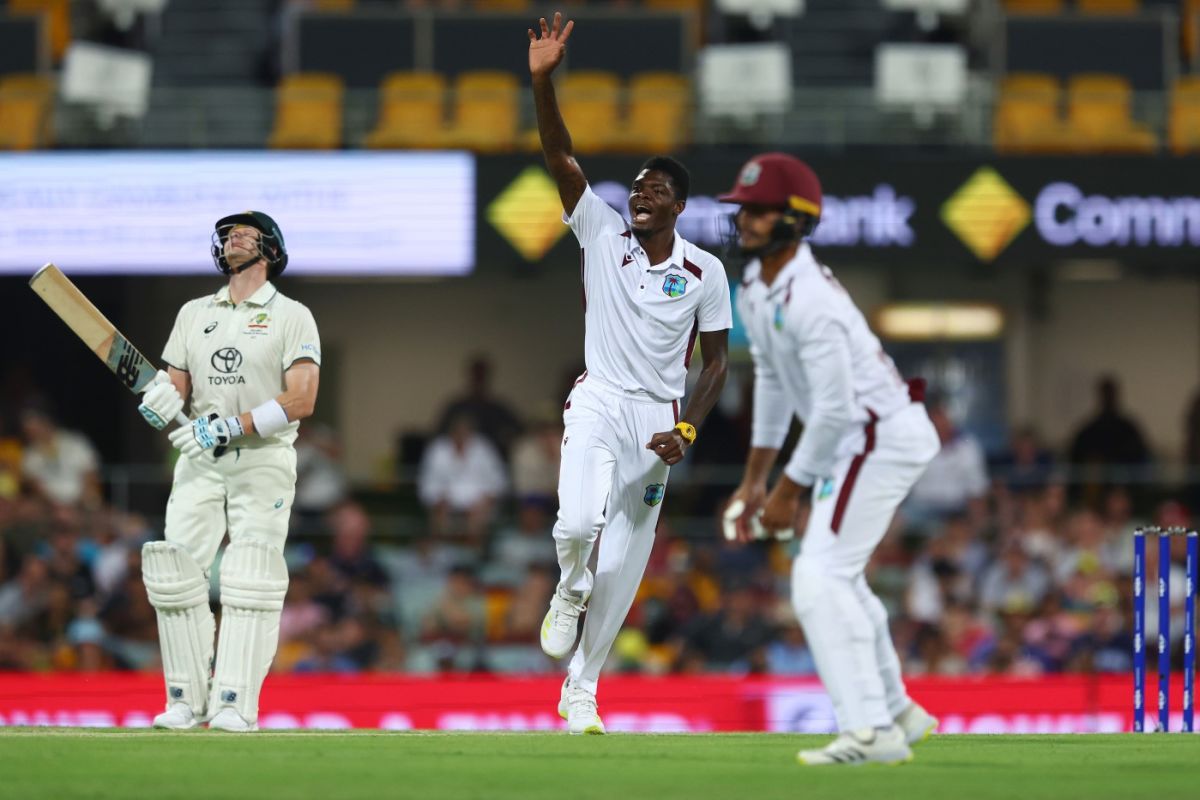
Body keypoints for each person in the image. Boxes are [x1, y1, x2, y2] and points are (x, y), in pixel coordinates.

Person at [528, 12, 732, 735]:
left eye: (653, 190)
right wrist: (542, 83)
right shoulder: (600, 230)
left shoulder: (705, 271)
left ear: (678, 205)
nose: (639, 195)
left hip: (657, 421)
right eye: (636, 188)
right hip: (599, 399)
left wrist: (687, 430)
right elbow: (561, 156)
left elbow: (717, 363)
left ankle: (582, 690)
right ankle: (568, 584)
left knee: (624, 563)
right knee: (578, 524)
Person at [720, 154, 939, 765]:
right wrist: (755, 480)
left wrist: (787, 491)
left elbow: (838, 412)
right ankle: (896, 712)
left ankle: (870, 732)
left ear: (797, 219)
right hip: (857, 437)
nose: (746, 220)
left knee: (817, 577)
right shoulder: (756, 287)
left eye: (761, 210)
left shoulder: (810, 297)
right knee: (837, 574)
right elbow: (771, 379)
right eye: (744, 209)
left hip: (876, 434)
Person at [134, 210, 320, 732]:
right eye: (228, 232)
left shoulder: (292, 315)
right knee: (174, 572)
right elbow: (174, 389)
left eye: (245, 231)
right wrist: (160, 403)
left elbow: (302, 399)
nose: (233, 236)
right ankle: (184, 699)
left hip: (262, 458)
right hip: (199, 458)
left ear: (271, 249)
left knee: (251, 576)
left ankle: (235, 703)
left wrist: (232, 426)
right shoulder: (194, 312)